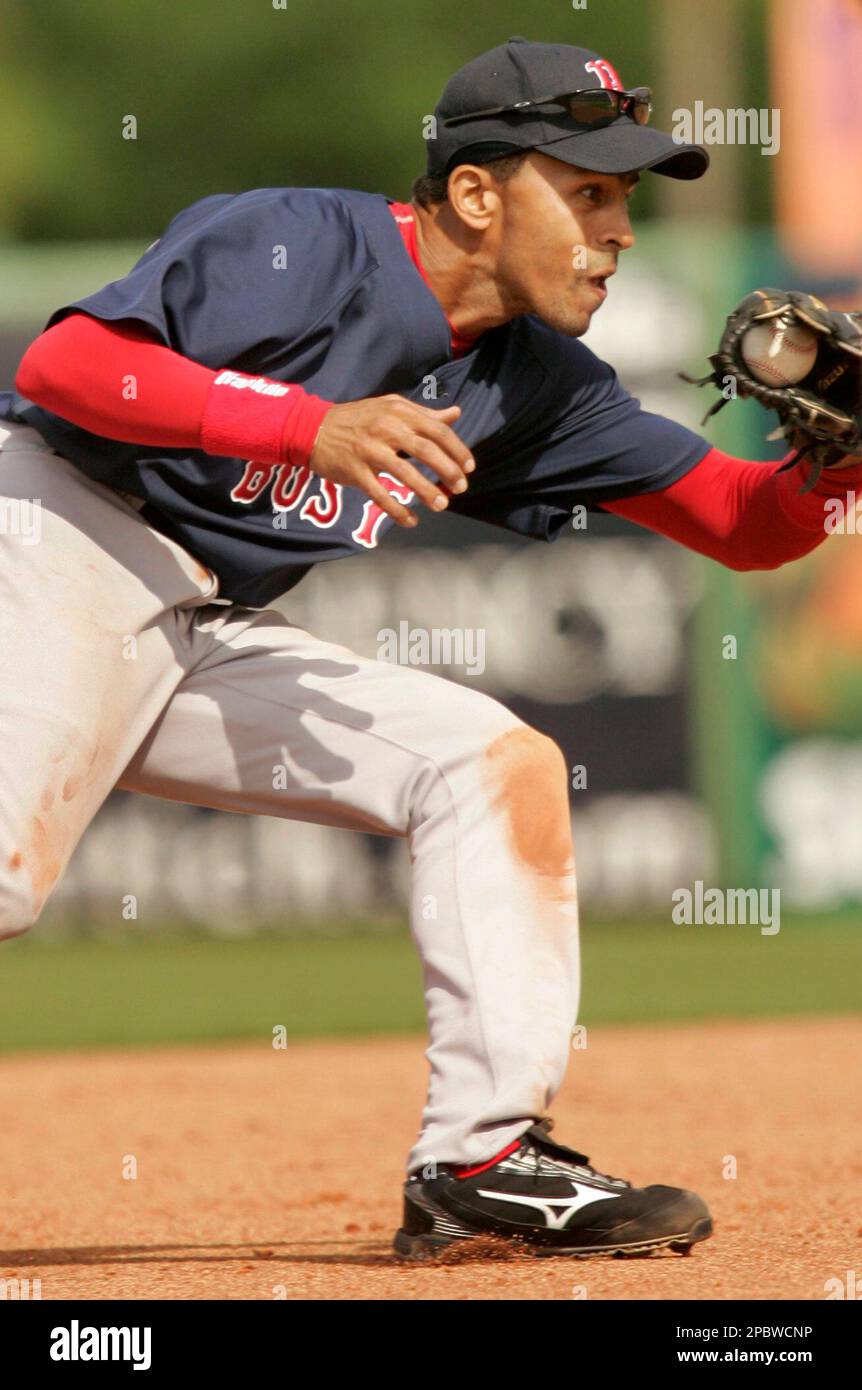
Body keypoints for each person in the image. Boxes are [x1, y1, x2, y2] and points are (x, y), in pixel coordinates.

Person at [2, 37, 859, 1260]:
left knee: (486, 763)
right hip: (52, 523)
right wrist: (308, 425)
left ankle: (482, 1160)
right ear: (473, 192)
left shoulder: (539, 383)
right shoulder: (298, 241)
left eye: (625, 201)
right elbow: (65, 365)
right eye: (589, 193)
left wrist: (847, 460)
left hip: (200, 621)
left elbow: (738, 522)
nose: (617, 231)